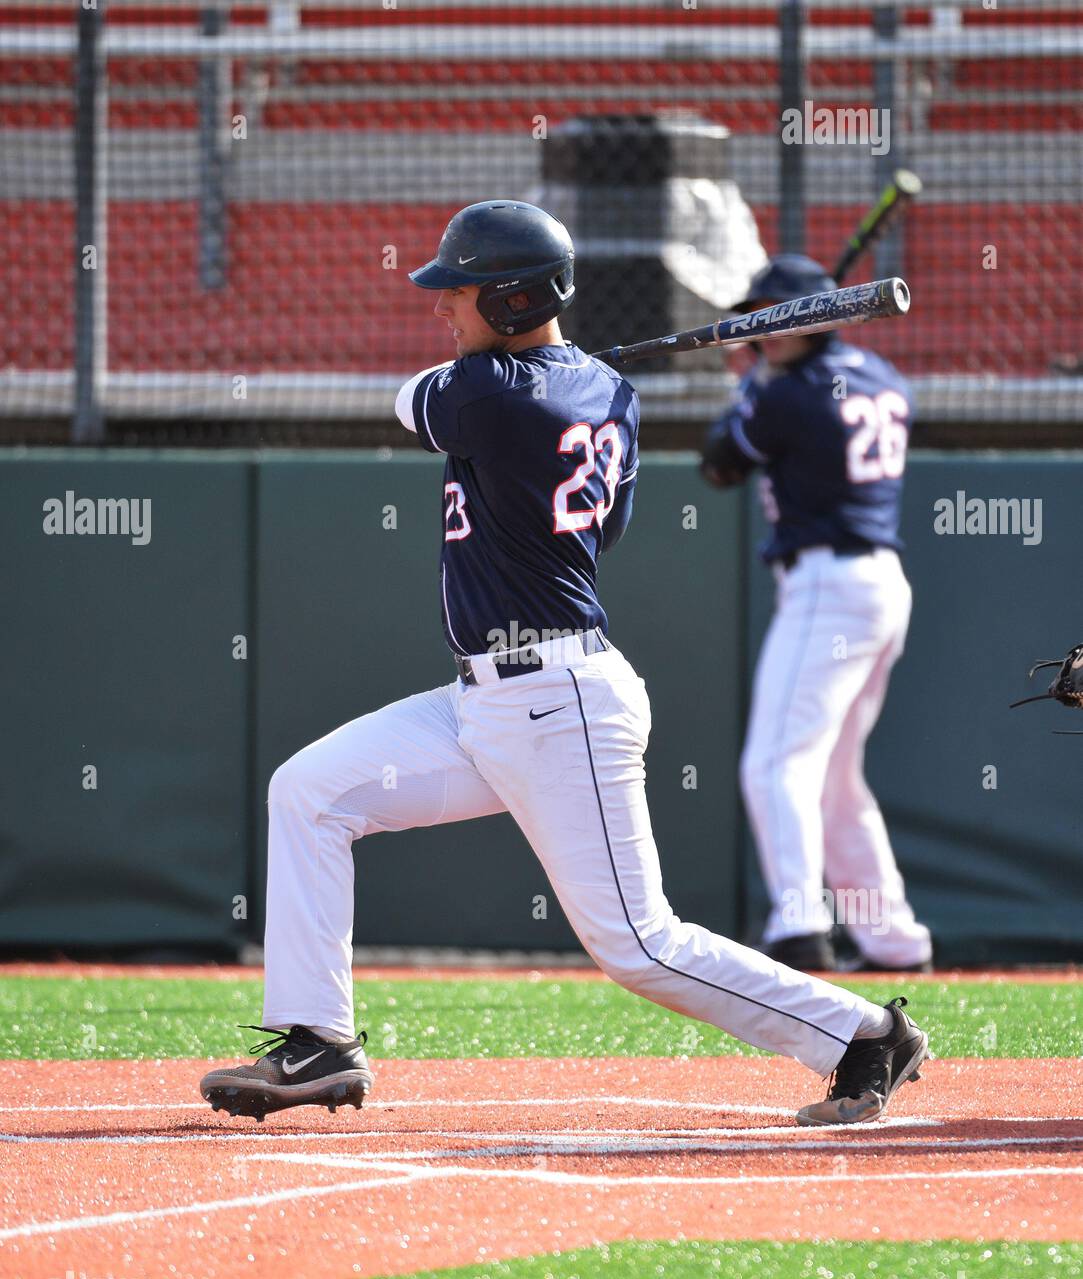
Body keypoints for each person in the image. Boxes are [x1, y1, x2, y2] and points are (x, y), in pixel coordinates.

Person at [199, 205, 928, 1128]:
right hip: (484, 700)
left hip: (556, 702)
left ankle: (865, 1035)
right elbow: (603, 522)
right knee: (309, 791)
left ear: (509, 299)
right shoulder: (604, 394)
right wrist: (560, 370)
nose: (442, 307)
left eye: (458, 291)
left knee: (637, 946)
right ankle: (318, 1041)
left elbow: (408, 399)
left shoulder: (489, 393)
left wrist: (538, 371)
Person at [700, 253, 933, 975]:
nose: (763, 330)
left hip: (828, 586)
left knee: (774, 764)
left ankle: (799, 924)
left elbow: (718, 465)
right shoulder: (881, 377)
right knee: (833, 774)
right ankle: (893, 940)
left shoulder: (786, 394)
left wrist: (754, 380)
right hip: (881, 586)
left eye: (777, 316)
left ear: (813, 320)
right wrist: (772, 362)